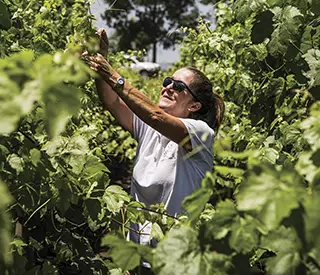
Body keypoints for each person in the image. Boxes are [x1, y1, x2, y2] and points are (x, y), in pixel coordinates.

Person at [84, 29, 225, 246]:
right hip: (140, 257)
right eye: (168, 81)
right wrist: (101, 60)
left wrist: (113, 75)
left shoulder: (200, 133)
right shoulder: (149, 128)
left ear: (194, 106)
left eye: (179, 86)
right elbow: (112, 102)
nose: (168, 87)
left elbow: (156, 116)